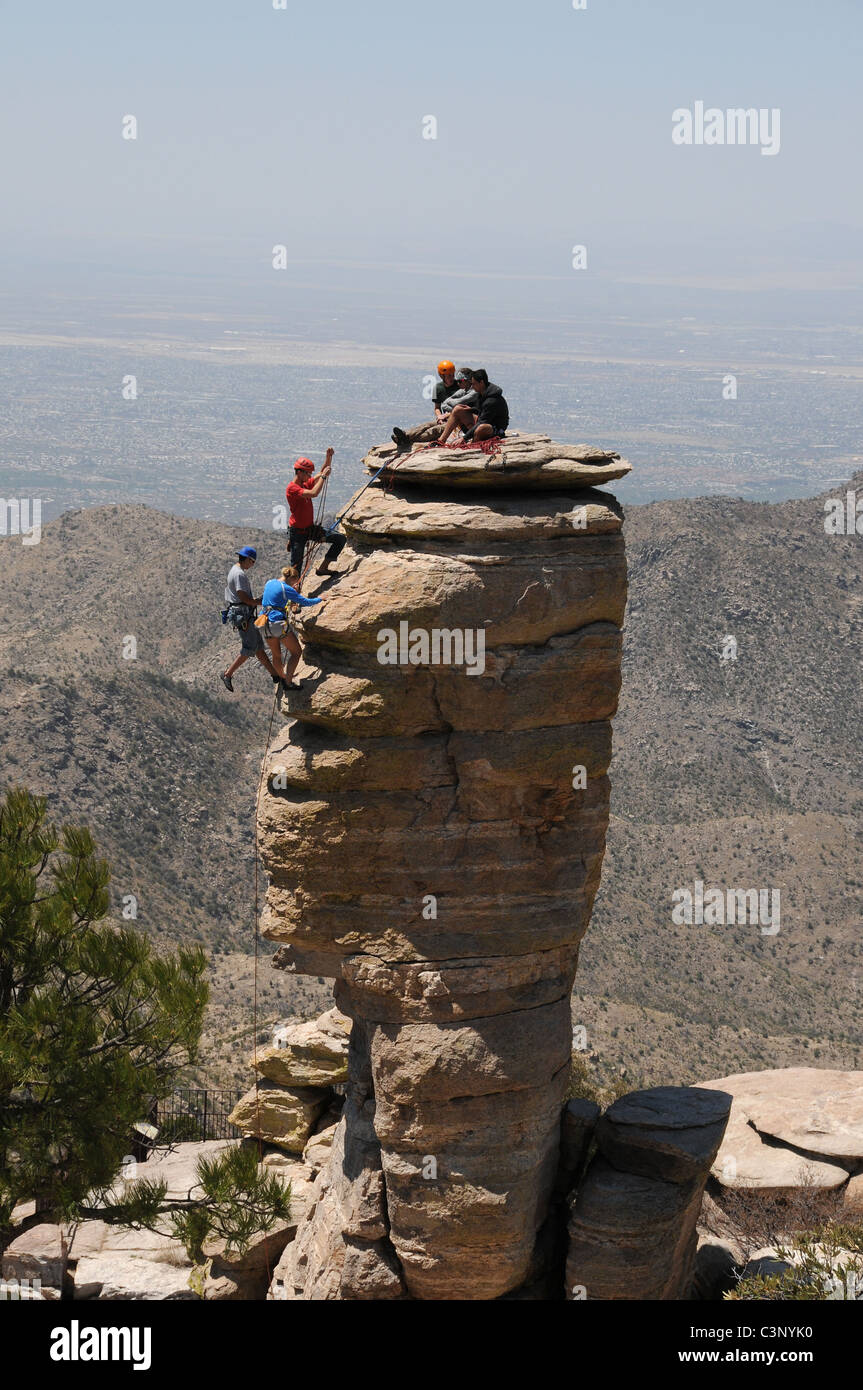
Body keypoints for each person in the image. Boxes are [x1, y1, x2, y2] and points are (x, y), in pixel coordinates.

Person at [220, 546, 281, 693]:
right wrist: (259, 602)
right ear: (247, 559)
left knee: (258, 647)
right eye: (252, 562)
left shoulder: (234, 570)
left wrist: (256, 601)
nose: (252, 565)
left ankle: (275, 675)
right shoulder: (239, 574)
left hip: (242, 612)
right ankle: (227, 674)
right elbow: (243, 596)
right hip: (243, 613)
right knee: (249, 648)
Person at [257, 565, 325, 688]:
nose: (296, 583)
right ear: (292, 578)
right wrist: (319, 599)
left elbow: (272, 597)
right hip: (277, 623)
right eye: (296, 580)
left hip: (263, 622)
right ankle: (288, 683)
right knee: (296, 652)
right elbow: (305, 602)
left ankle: (282, 677)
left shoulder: (270, 582)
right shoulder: (286, 589)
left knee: (276, 655)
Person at [286, 450, 346, 577]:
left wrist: (328, 458)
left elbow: (320, 473)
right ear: (300, 472)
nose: (310, 476)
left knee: (340, 539)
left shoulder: (304, 484)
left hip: (309, 529)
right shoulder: (293, 489)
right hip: (297, 533)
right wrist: (323, 477)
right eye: (308, 473)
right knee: (296, 568)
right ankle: (292, 593)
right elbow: (314, 493)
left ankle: (323, 568)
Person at [391, 362, 476, 450]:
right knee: (425, 425)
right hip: (444, 418)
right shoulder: (438, 388)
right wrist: (439, 416)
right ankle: (405, 435)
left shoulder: (460, 386)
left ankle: (407, 439)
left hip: (454, 419)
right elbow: (437, 407)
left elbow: (462, 409)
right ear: (442, 376)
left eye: (452, 375)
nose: (451, 378)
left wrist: (446, 415)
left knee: (433, 431)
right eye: (448, 376)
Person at [435, 369, 509, 448]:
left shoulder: (492, 400)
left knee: (481, 428)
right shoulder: (482, 393)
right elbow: (481, 411)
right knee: (458, 409)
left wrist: (464, 438)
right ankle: (441, 441)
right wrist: (470, 409)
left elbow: (482, 422)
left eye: (474, 384)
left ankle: (472, 445)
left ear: (481, 383)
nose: (472, 387)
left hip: (495, 429)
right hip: (484, 421)